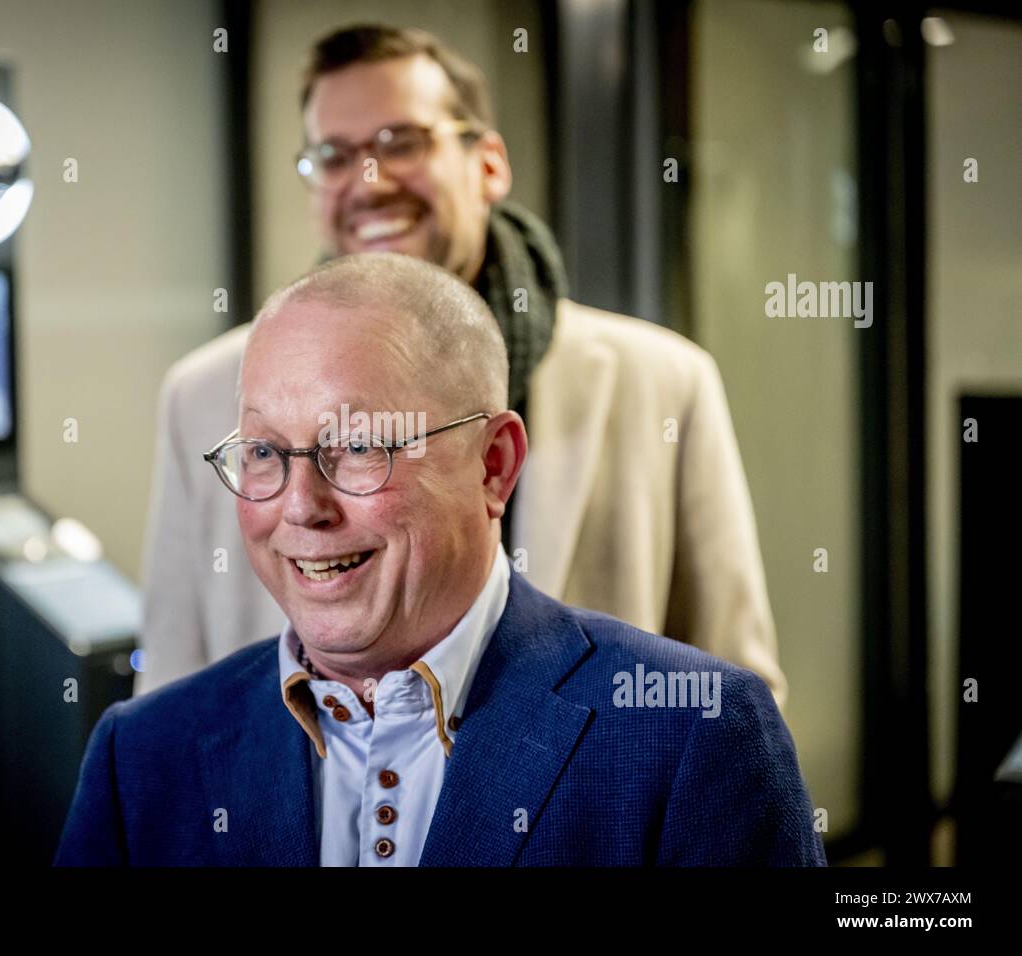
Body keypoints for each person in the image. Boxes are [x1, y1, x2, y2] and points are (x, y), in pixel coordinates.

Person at [57, 254, 823, 866]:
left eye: (356, 447)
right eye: (263, 452)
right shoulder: (143, 758)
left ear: (493, 465)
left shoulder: (693, 736)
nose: (300, 507)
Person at [137, 24, 787, 708]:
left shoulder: (661, 385)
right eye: (333, 155)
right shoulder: (205, 397)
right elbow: (175, 701)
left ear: (489, 165)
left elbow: (734, 695)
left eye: (403, 143)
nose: (370, 181)